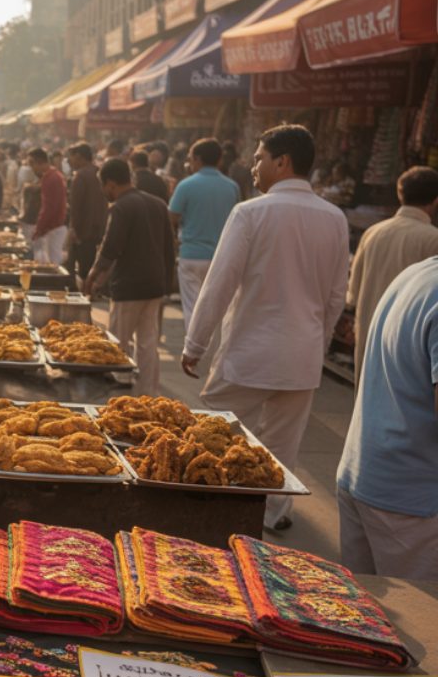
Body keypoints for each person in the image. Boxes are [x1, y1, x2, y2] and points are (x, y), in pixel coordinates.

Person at [182, 124, 348, 532]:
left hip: (249, 352)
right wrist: (318, 344)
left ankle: (207, 507)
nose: (253, 166)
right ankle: (271, 516)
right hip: (302, 355)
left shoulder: (251, 212)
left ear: (282, 161)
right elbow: (335, 297)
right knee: (282, 445)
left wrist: (195, 343)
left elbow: (219, 284)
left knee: (215, 433)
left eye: (258, 158)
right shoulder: (334, 218)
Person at [336, 256, 438, 579]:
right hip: (410, 506)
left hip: (364, 477)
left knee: (364, 606)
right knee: (419, 611)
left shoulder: (417, 274)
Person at [85, 158, 174, 397]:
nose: (104, 192)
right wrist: (166, 283)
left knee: (118, 340)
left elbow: (111, 247)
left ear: (111, 183)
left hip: (129, 285)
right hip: (154, 285)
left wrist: (93, 274)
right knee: (147, 343)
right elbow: (170, 247)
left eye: (103, 187)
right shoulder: (158, 204)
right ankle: (147, 393)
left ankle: (118, 392)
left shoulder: (121, 207)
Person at [347, 166, 438, 381]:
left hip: (368, 339)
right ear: (435, 201)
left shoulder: (373, 232)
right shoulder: (432, 239)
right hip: (407, 351)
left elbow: (353, 293)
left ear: (400, 194)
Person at [167, 138, 241, 333]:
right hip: (222, 256)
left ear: (197, 159)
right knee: (218, 308)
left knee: (193, 307)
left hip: (191, 255)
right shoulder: (232, 187)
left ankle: (194, 346)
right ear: (219, 160)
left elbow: (171, 216)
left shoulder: (186, 185)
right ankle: (213, 347)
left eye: (190, 159)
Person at [65, 142, 108, 289]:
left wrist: (74, 230)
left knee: (79, 268)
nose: (68, 161)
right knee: (92, 265)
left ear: (79, 156)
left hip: (83, 231)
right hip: (100, 228)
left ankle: (83, 293)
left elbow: (76, 206)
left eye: (70, 157)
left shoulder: (81, 175)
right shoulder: (99, 172)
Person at [24, 148, 67, 264]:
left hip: (54, 227)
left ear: (38, 162)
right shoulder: (54, 175)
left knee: (52, 264)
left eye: (32, 164)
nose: (32, 169)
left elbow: (48, 208)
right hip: (54, 226)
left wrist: (39, 230)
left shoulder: (51, 178)